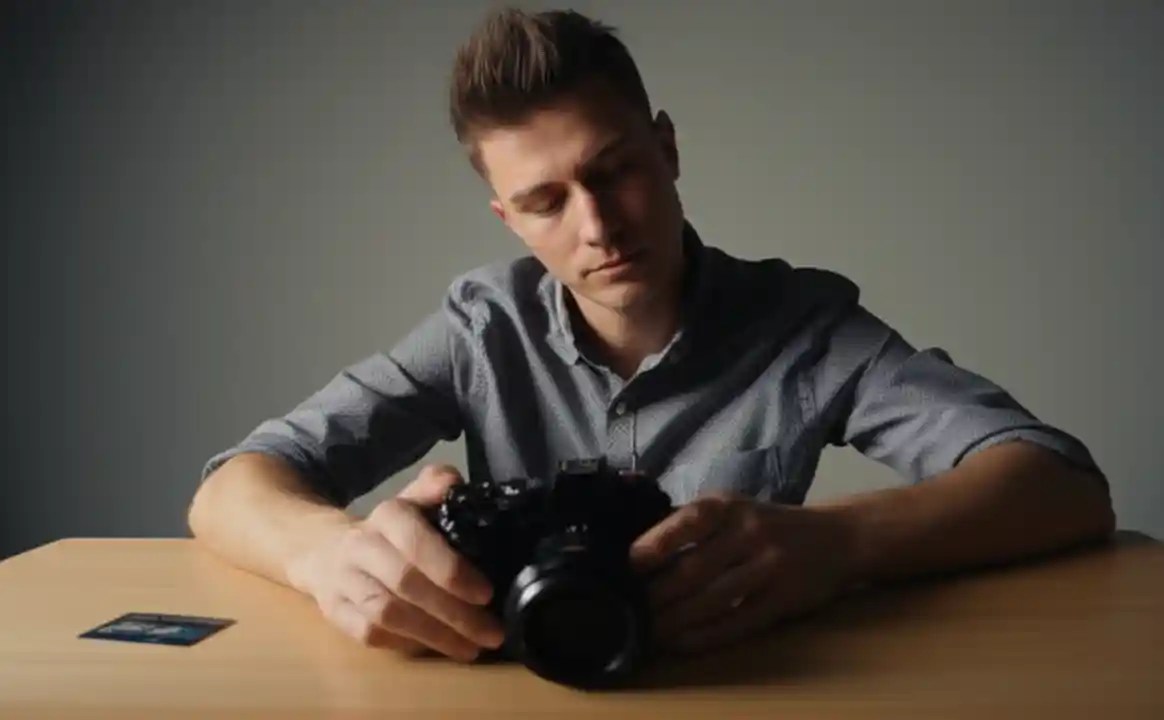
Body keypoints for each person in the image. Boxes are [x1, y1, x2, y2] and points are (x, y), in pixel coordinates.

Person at [188, 7, 1115, 663]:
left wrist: (836, 546)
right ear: (507, 217)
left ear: (666, 150)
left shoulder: (805, 326)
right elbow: (233, 488)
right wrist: (329, 556)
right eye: (546, 201)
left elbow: (1060, 483)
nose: (597, 227)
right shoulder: (481, 325)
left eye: (616, 171)